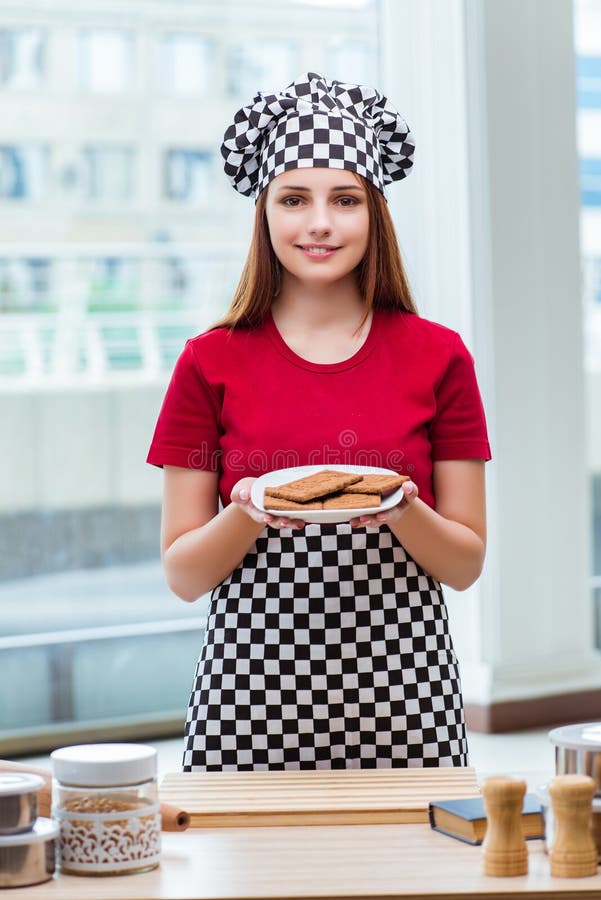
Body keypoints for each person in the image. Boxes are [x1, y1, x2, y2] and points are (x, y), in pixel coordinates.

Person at [147, 72, 491, 771]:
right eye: (294, 199)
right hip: (247, 702)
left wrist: (401, 507)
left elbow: (464, 564)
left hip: (407, 696)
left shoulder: (440, 357)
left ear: (375, 214)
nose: (320, 224)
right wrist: (248, 510)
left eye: (345, 199)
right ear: (264, 213)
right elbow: (183, 574)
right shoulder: (207, 363)